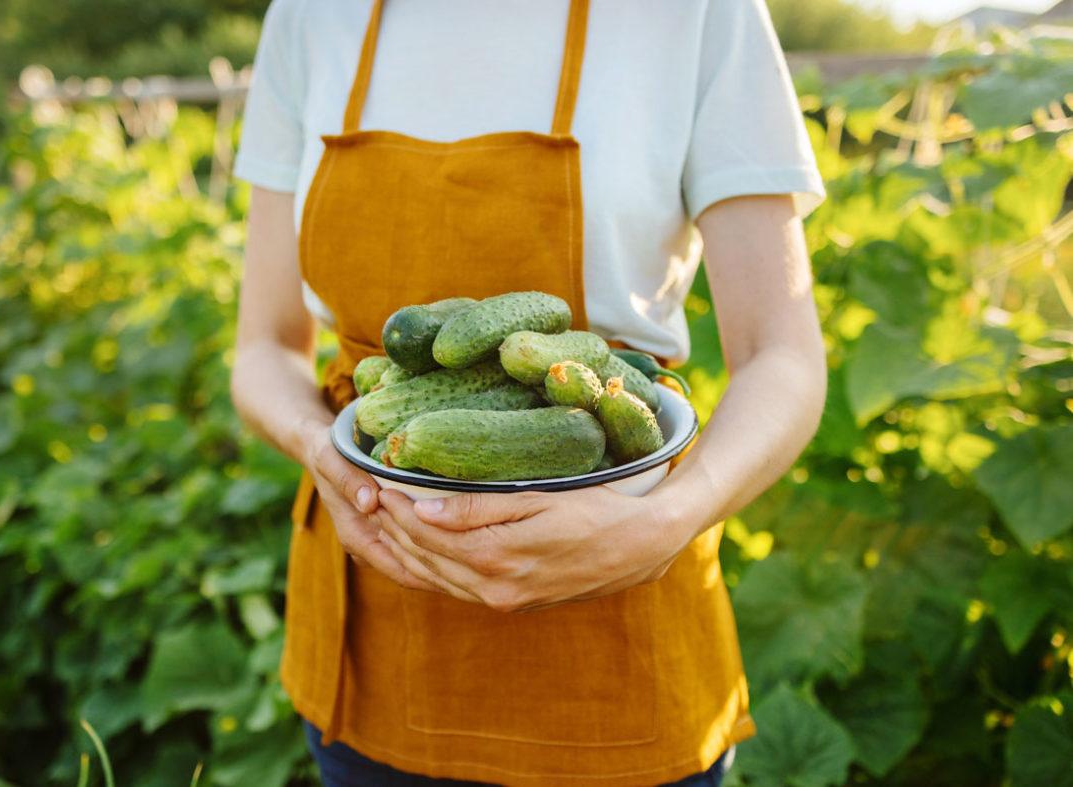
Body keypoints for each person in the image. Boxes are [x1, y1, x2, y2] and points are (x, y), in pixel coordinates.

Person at [229, 0, 827, 785]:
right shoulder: (311, 15)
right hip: (374, 617)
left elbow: (782, 356)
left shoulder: (696, 12)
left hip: (617, 630)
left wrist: (670, 519)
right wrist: (322, 448)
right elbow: (264, 349)